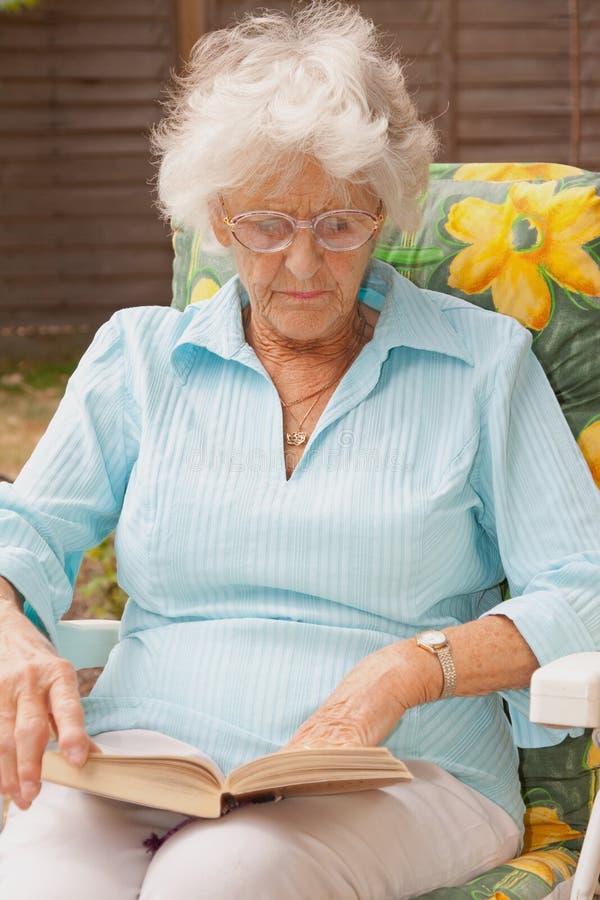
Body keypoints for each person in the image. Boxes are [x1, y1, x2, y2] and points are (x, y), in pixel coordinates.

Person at [1, 3, 599, 897]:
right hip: (144, 760)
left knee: (225, 875)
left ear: (385, 207)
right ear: (217, 217)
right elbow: (24, 533)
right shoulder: (140, 358)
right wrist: (11, 635)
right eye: (268, 227)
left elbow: (585, 587)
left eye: (341, 224)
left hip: (403, 771)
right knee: (35, 869)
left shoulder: (483, 363)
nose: (307, 266)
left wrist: (405, 671)